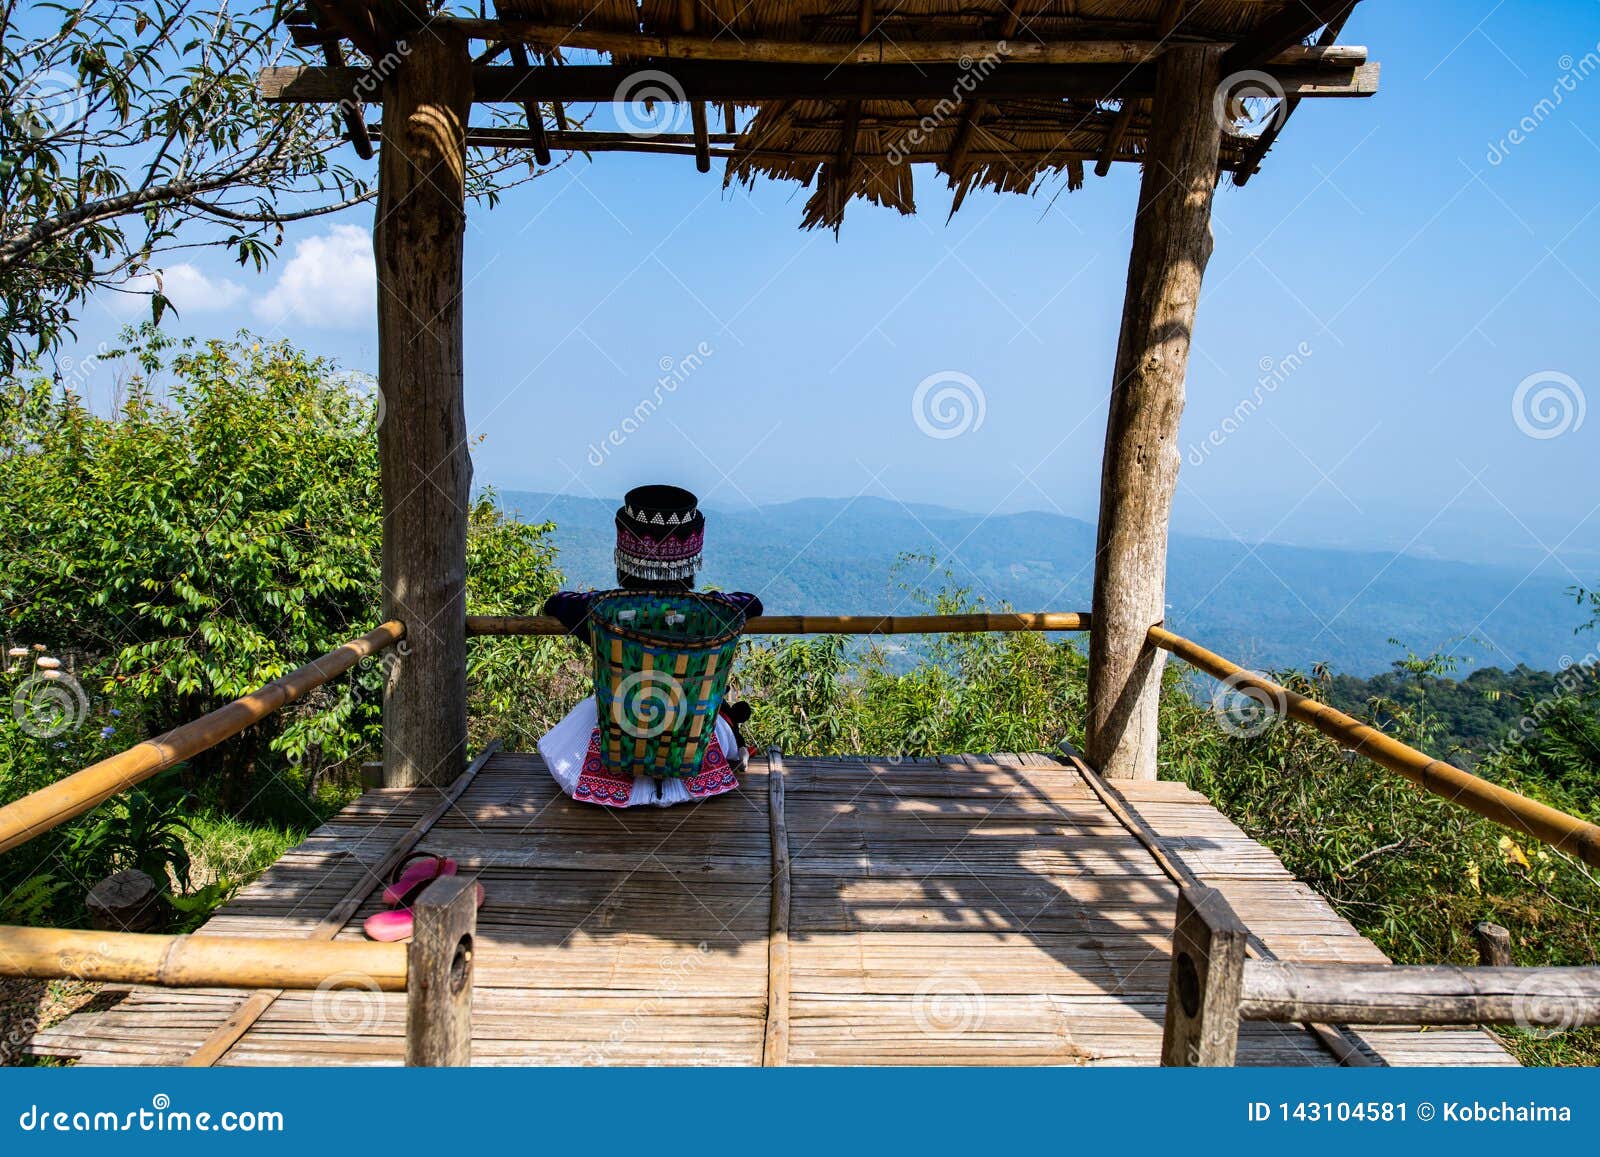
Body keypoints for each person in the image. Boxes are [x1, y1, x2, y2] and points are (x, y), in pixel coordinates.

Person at [536, 485, 762, 808]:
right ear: (691, 560)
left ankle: (617, 785)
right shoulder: (710, 614)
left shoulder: (602, 611)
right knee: (710, 718)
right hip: (689, 736)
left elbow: (558, 602)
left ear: (623, 557)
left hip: (623, 727)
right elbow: (751, 603)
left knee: (594, 710)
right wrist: (715, 598)